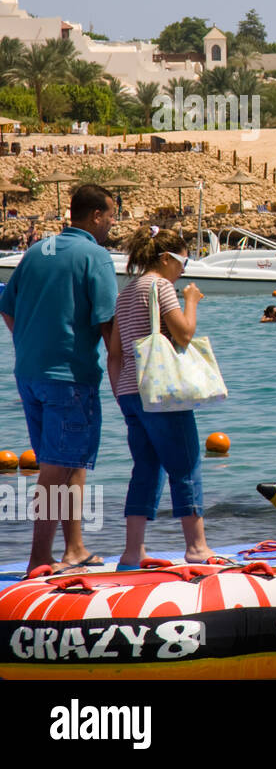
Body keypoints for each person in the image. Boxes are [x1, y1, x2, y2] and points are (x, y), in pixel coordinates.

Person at [0, 184, 118, 574]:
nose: (113, 223)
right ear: (96, 215)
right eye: (112, 216)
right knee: (55, 467)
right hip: (69, 377)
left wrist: (28, 344)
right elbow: (108, 324)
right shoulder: (96, 256)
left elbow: (7, 307)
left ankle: (75, 548)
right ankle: (39, 557)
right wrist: (124, 371)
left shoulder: (34, 252)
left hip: (30, 373)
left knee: (72, 461)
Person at [105, 226, 220, 568]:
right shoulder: (162, 287)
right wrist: (191, 300)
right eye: (184, 259)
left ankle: (132, 552)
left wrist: (120, 393)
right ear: (167, 258)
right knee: (185, 466)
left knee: (145, 469)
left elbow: (114, 353)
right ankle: (197, 548)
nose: (185, 266)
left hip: (129, 392)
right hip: (160, 393)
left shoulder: (125, 293)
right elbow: (184, 335)